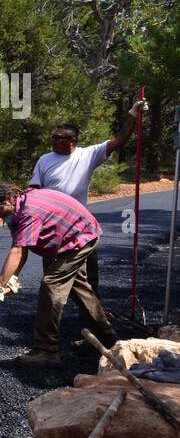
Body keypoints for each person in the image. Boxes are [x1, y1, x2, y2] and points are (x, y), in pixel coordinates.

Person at [0, 182, 116, 366]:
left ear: (10, 199)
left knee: (51, 284)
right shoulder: (16, 208)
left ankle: (46, 350)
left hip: (80, 236)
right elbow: (21, 247)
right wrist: (12, 279)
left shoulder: (29, 212)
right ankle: (107, 340)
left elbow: (18, 251)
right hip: (69, 238)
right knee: (78, 288)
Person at [29, 100, 146, 294]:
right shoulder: (44, 160)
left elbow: (119, 140)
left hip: (79, 225)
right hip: (52, 226)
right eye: (53, 136)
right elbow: (34, 189)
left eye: (59, 138)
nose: (53, 140)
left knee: (90, 276)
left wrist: (133, 115)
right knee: (52, 275)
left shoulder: (88, 155)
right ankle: (53, 315)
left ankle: (94, 319)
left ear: (72, 141)